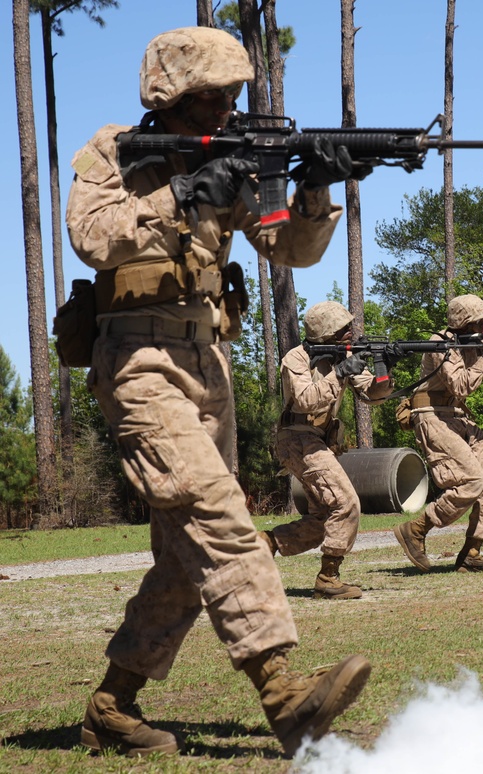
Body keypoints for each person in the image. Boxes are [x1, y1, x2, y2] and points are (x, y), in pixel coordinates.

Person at [65, 27, 370, 758]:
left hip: (209, 366)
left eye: (233, 95)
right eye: (209, 96)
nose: (223, 108)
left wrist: (314, 186)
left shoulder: (235, 159)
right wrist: (179, 194)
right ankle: (285, 694)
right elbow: (90, 236)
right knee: (220, 514)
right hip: (138, 361)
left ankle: (111, 707)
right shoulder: (113, 151)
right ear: (168, 93)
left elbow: (286, 250)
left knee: (184, 555)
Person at [259, 301, 401, 599]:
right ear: (327, 333)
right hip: (298, 439)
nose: (352, 332)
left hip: (317, 441)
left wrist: (384, 368)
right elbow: (305, 401)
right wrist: (339, 372)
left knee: (322, 521)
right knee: (345, 502)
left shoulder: (344, 355)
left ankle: (262, 545)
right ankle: (328, 578)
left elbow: (371, 395)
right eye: (344, 329)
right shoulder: (296, 358)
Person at [393, 294, 483, 572]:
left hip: (458, 417)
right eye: (478, 321)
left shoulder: (479, 343)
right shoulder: (440, 344)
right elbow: (460, 385)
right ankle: (417, 530)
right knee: (471, 480)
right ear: (463, 323)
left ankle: (471, 552)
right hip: (431, 416)